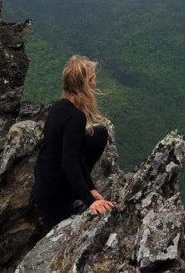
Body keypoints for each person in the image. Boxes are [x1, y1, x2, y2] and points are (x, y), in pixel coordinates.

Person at [31, 55, 115, 236]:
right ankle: (73, 193)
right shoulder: (75, 118)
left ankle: (76, 190)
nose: (95, 82)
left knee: (99, 133)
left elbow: (76, 155)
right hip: (54, 194)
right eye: (92, 78)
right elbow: (69, 161)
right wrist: (90, 201)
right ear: (86, 83)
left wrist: (90, 188)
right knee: (55, 243)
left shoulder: (59, 108)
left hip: (44, 182)